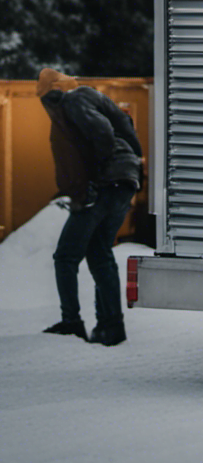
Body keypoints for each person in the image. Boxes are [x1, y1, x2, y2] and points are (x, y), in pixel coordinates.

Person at [36, 68, 143, 346]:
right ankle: (111, 327)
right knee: (99, 252)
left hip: (107, 183)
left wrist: (95, 177)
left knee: (66, 256)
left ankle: (72, 323)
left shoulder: (74, 99)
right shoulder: (88, 98)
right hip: (124, 181)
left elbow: (102, 132)